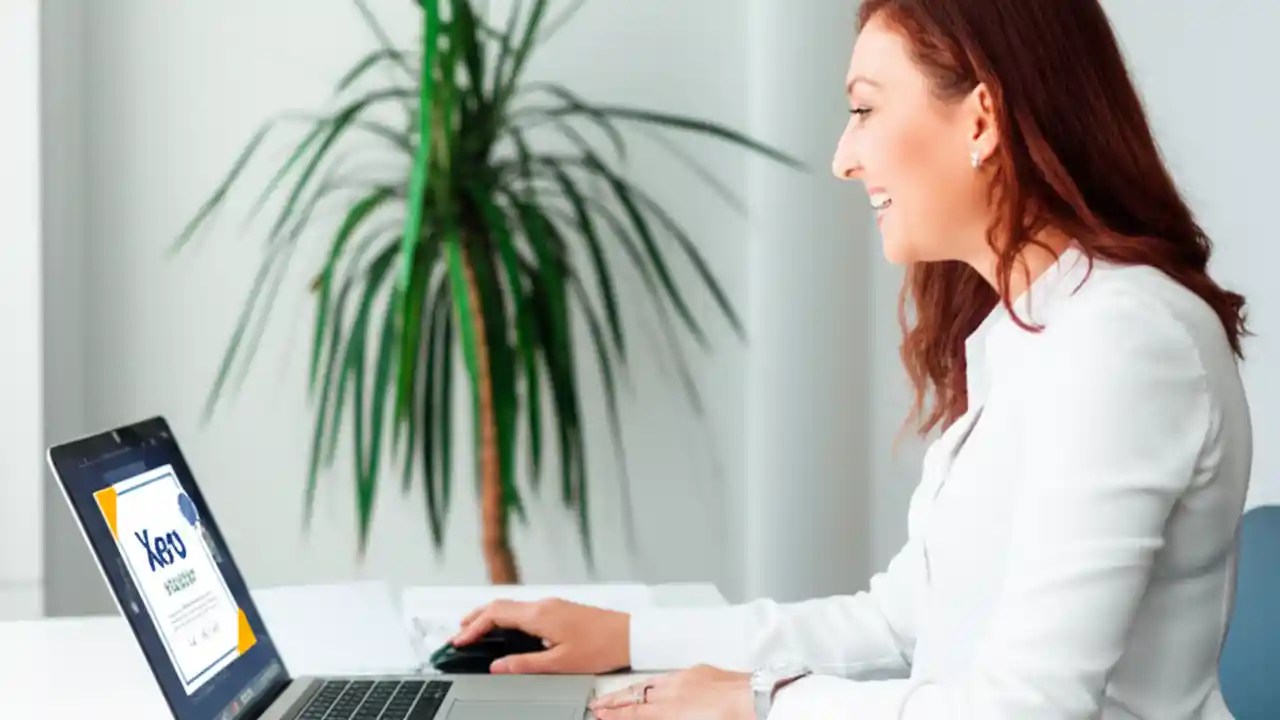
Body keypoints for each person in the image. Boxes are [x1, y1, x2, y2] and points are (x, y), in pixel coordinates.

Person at [451, 1, 1252, 717]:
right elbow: (901, 621)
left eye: (864, 110)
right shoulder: (1033, 330)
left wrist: (759, 706)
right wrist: (629, 636)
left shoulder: (1127, 342)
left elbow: (1027, 708)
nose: (844, 158)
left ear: (981, 121)